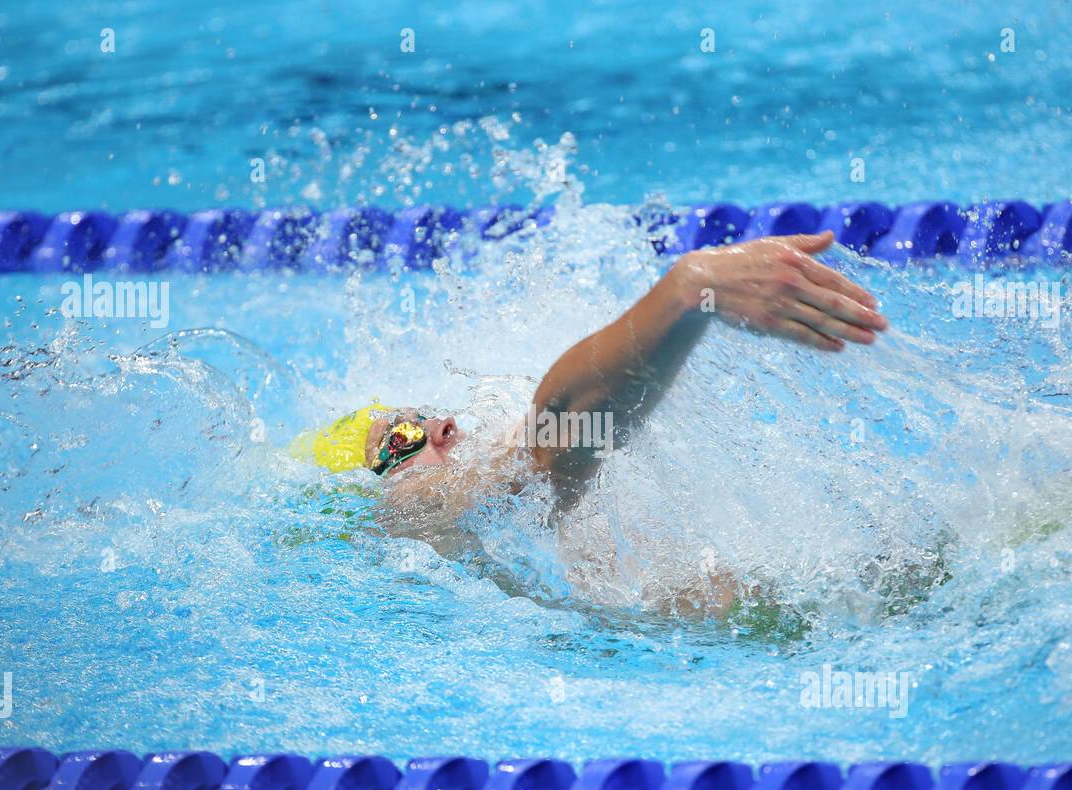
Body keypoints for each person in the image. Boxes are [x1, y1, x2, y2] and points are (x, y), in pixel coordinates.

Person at [289, 230, 886, 611]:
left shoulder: (501, 541)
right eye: (403, 436)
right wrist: (687, 291)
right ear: (375, 478)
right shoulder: (406, 511)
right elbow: (549, 442)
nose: (443, 425)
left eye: (428, 414)